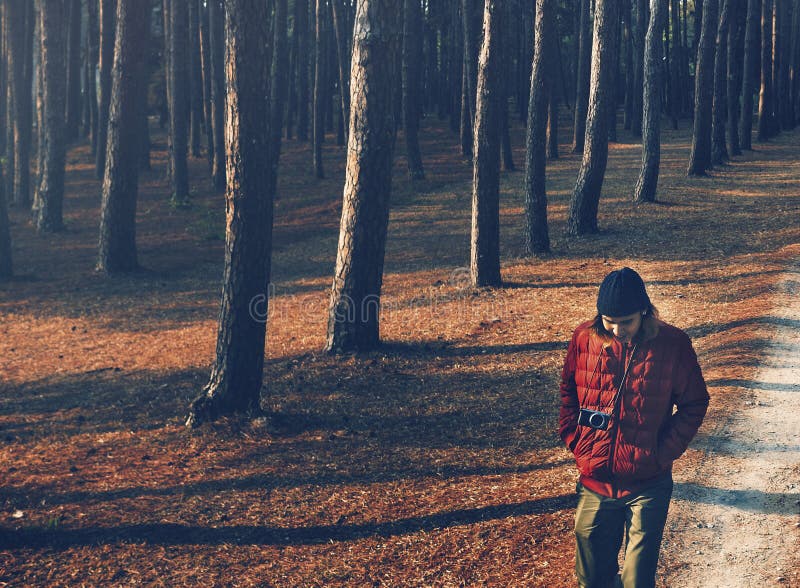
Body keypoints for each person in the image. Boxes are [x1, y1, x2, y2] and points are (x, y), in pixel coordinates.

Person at [559, 267, 709, 588]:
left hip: (648, 484)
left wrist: (660, 453)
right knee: (591, 579)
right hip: (595, 480)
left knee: (637, 581)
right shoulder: (584, 338)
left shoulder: (672, 345)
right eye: (608, 320)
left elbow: (694, 403)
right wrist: (577, 441)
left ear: (644, 311)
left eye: (625, 321)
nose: (616, 329)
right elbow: (568, 391)